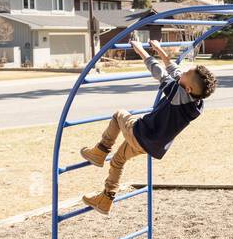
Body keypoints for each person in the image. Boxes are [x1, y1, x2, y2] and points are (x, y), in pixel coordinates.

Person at [79, 39, 218, 214]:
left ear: (188, 88)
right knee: (118, 160)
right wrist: (159, 50)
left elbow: (159, 72)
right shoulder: (194, 101)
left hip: (140, 133)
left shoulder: (177, 94)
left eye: (185, 73)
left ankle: (100, 151)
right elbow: (174, 70)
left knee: (118, 114)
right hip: (151, 144)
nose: (181, 73)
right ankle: (106, 199)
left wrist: (141, 52)